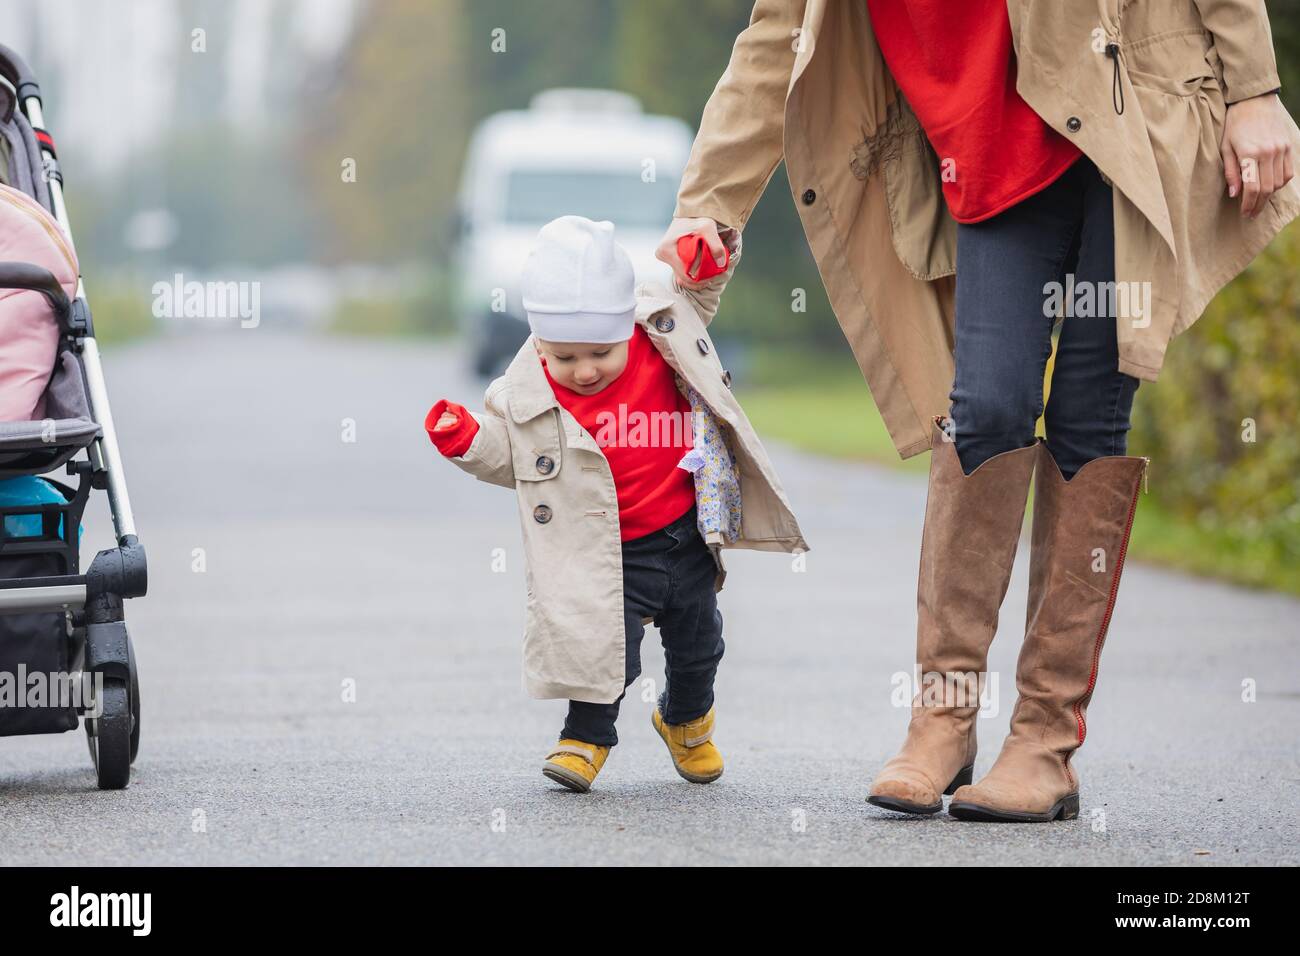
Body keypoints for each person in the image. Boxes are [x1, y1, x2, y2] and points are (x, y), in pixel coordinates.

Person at [659, 0, 1298, 821]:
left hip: (1126, 119)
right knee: (986, 407)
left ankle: (1043, 741)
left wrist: (1254, 90)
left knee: (1087, 417)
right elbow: (778, 43)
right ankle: (944, 718)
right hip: (991, 153)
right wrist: (706, 206)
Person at [426, 216, 808, 792]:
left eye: (601, 353)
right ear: (540, 345)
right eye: (564, 357)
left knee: (700, 645)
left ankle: (685, 721)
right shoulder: (531, 396)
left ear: (625, 329)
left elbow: (697, 295)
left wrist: (705, 261)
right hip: (605, 552)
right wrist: (468, 439)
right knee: (604, 654)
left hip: (683, 535)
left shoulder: (662, 335)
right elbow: (514, 457)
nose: (583, 370)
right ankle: (584, 739)